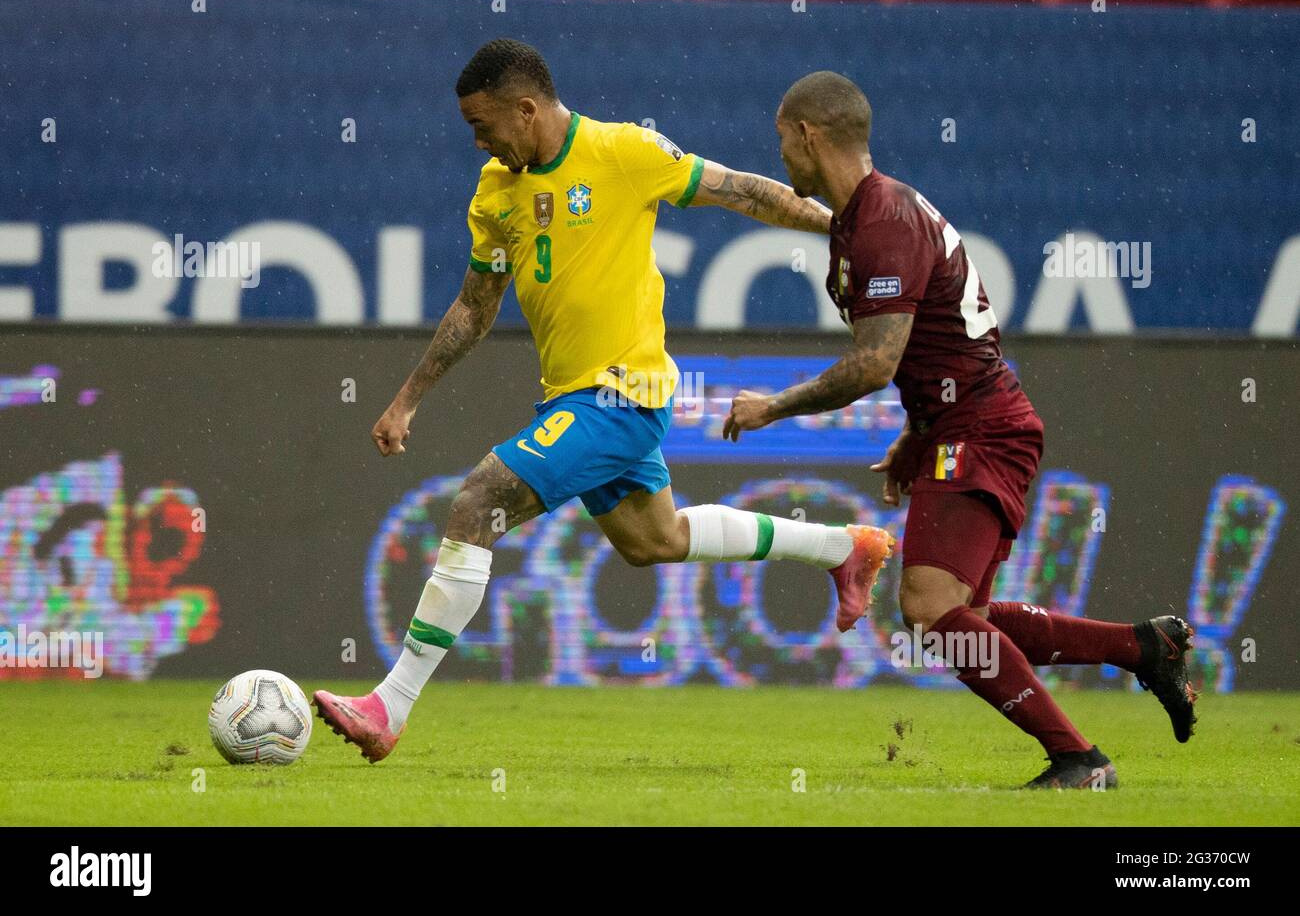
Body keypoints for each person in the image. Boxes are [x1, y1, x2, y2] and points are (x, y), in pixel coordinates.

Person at [313, 42, 894, 763]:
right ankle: (843, 548)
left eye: (483, 123)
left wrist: (849, 223)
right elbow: (474, 306)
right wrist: (407, 400)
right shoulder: (495, 191)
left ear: (526, 110)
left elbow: (742, 190)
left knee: (478, 500)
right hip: (578, 395)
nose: (478, 140)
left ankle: (389, 706)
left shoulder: (624, 152)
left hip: (623, 393)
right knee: (656, 541)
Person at [723, 70, 1197, 789]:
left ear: (807, 133)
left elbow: (876, 363)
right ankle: (1141, 647)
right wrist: (917, 437)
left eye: (781, 139)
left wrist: (773, 407)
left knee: (929, 607)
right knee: (964, 617)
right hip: (966, 423)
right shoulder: (866, 219)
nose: (781, 155)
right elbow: (931, 346)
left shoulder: (881, 223)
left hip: (981, 427)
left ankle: (1081, 760)